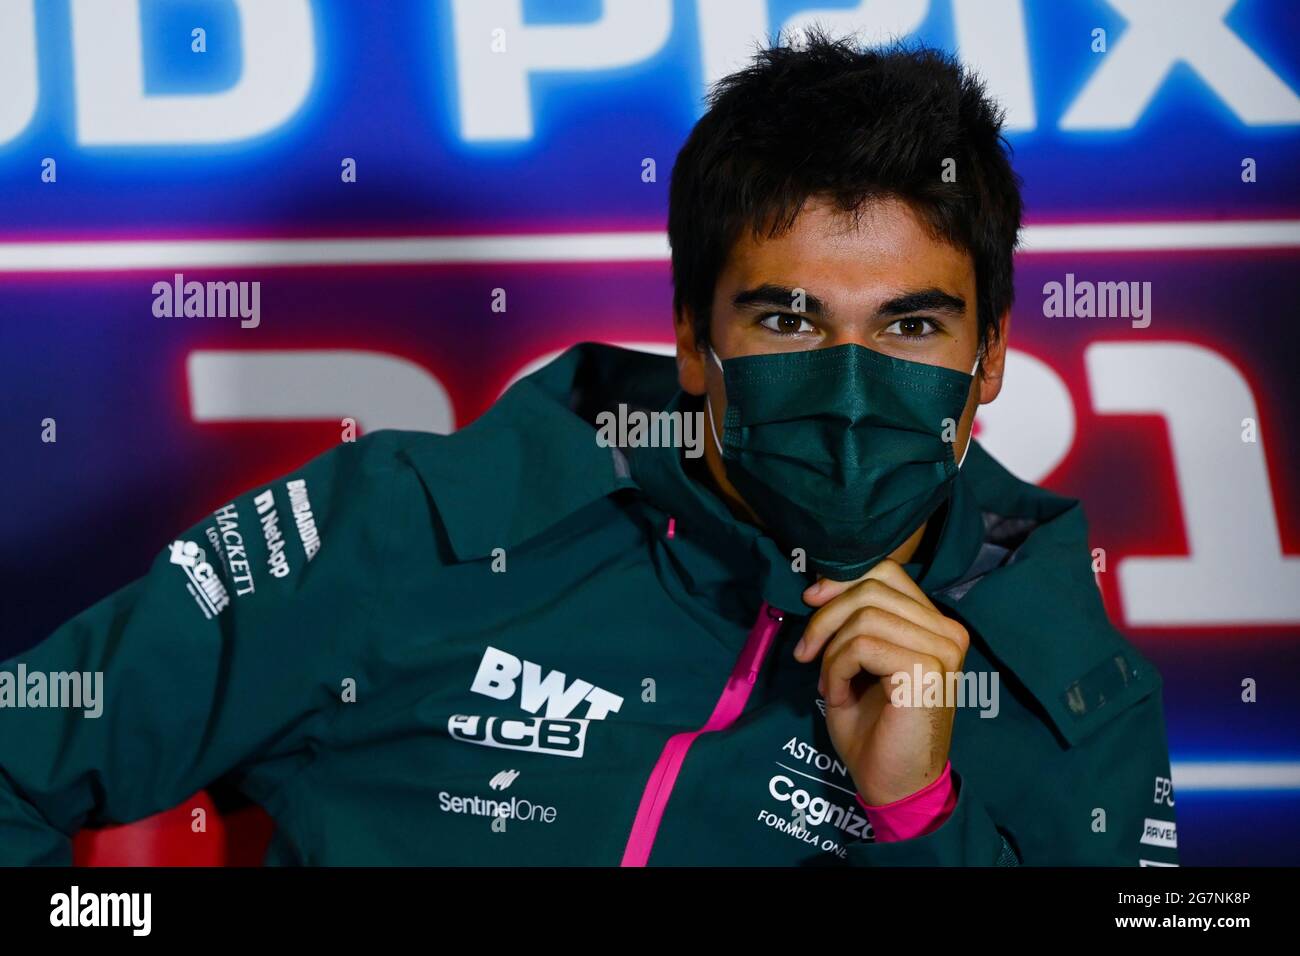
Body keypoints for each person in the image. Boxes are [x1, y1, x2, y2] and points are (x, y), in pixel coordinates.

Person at [0, 32, 1176, 866]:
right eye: (786, 319)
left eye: (910, 325)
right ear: (692, 341)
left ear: (992, 356)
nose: (849, 385)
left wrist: (917, 814)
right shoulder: (403, 525)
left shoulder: (1076, 698)